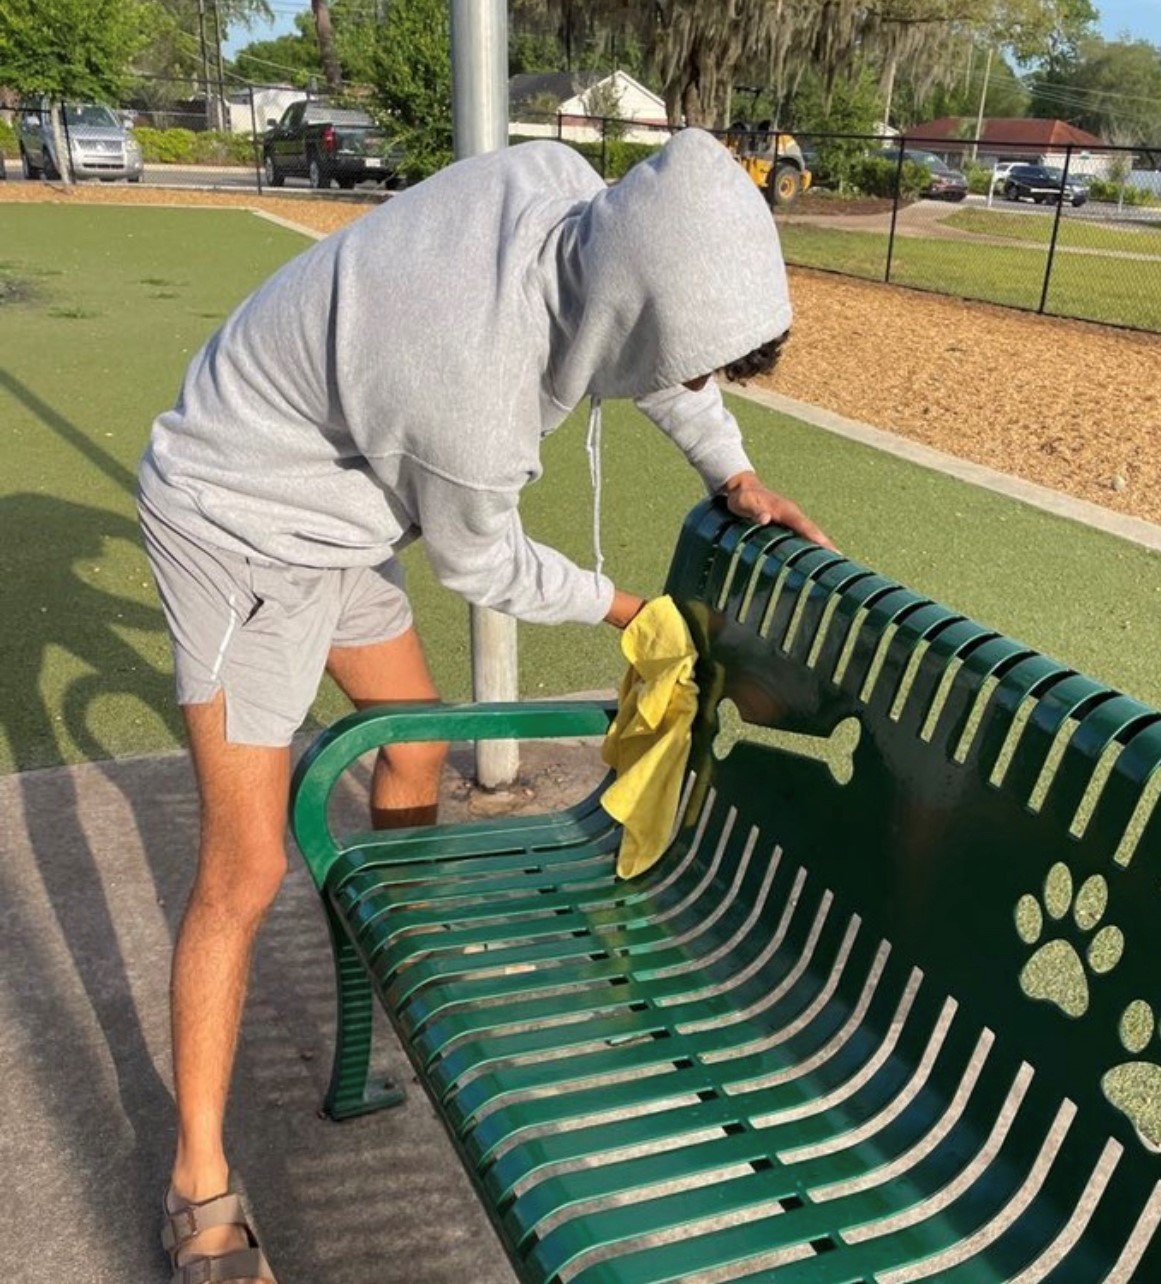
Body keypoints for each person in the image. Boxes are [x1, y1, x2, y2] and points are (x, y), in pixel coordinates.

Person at [139, 126, 829, 1282]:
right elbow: (483, 566)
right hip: (240, 518)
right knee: (244, 868)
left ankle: (384, 995)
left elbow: (653, 338)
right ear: (631, 312)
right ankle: (196, 1178)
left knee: (410, 756)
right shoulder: (471, 394)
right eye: (690, 364)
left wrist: (733, 471)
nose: (691, 384)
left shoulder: (563, 189)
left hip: (347, 493)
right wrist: (631, 614)